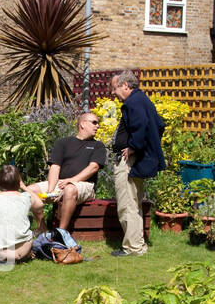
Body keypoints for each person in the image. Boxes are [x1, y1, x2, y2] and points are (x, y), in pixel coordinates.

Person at [109, 69, 165, 257]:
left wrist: (133, 146)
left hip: (129, 161)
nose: (113, 93)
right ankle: (137, 244)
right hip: (137, 159)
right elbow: (159, 125)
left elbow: (141, 127)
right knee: (134, 202)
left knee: (127, 204)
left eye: (115, 88)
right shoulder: (143, 100)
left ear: (125, 85)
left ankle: (133, 248)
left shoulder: (132, 102)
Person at [26, 111, 109, 235]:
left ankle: (62, 233)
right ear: (82, 124)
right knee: (30, 191)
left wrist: (73, 180)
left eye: (97, 123)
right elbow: (55, 167)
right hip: (61, 183)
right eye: (94, 123)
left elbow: (94, 167)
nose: (97, 126)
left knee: (69, 189)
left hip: (85, 184)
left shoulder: (98, 146)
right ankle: (42, 228)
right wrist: (50, 190)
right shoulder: (63, 143)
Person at [0, 164, 44, 266]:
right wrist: (23, 187)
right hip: (24, 252)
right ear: (18, 182)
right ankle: (25, 256)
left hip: (3, 256)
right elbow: (40, 205)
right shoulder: (26, 197)